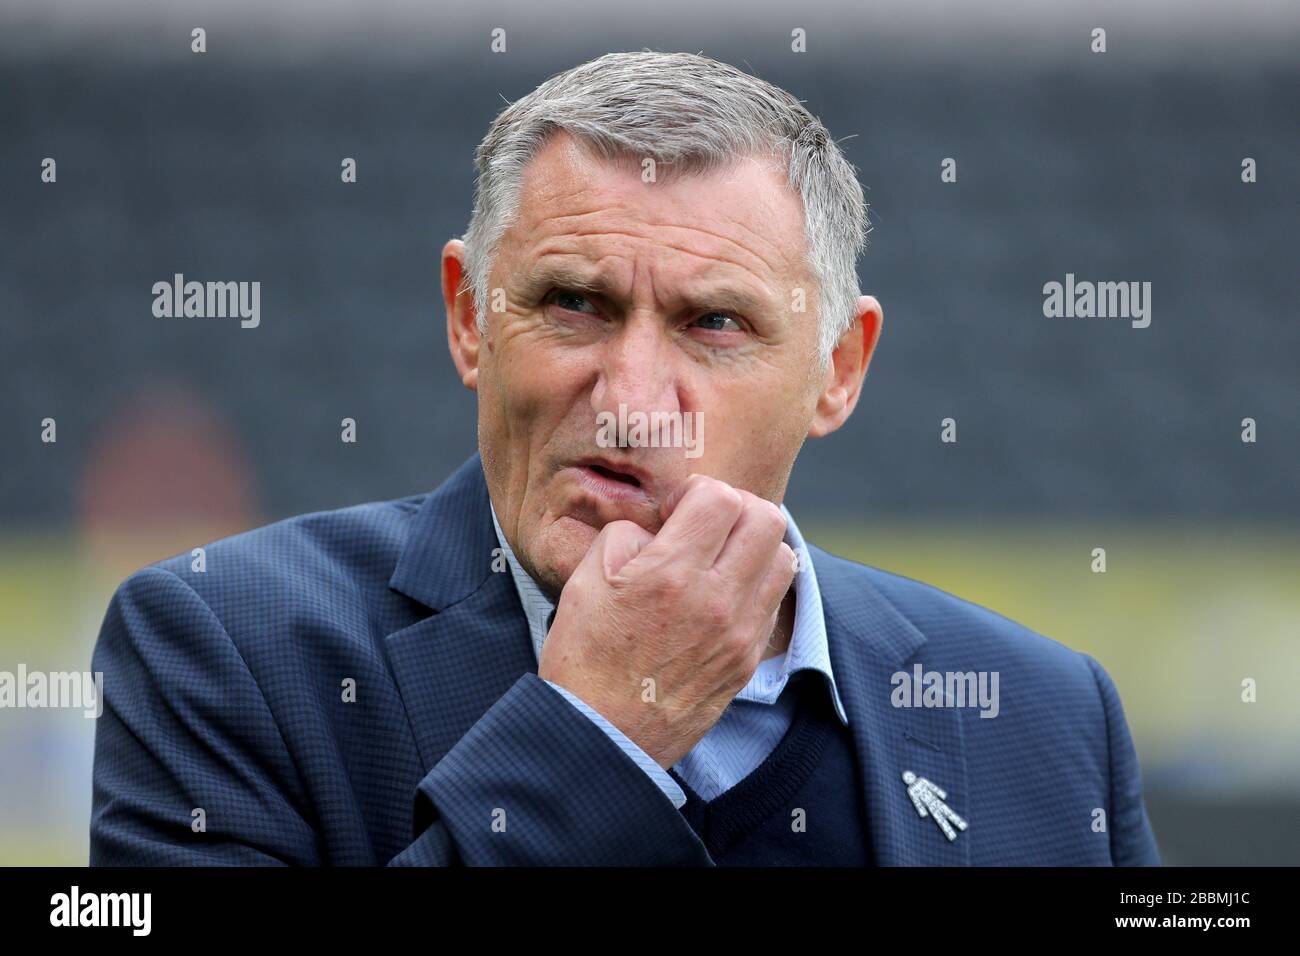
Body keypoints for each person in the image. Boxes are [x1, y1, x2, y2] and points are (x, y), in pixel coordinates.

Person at [90, 51, 1160, 866]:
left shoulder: (1043, 713)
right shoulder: (228, 652)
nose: (634, 401)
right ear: (470, 318)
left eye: (715, 323)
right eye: (571, 303)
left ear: (838, 369)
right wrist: (597, 735)